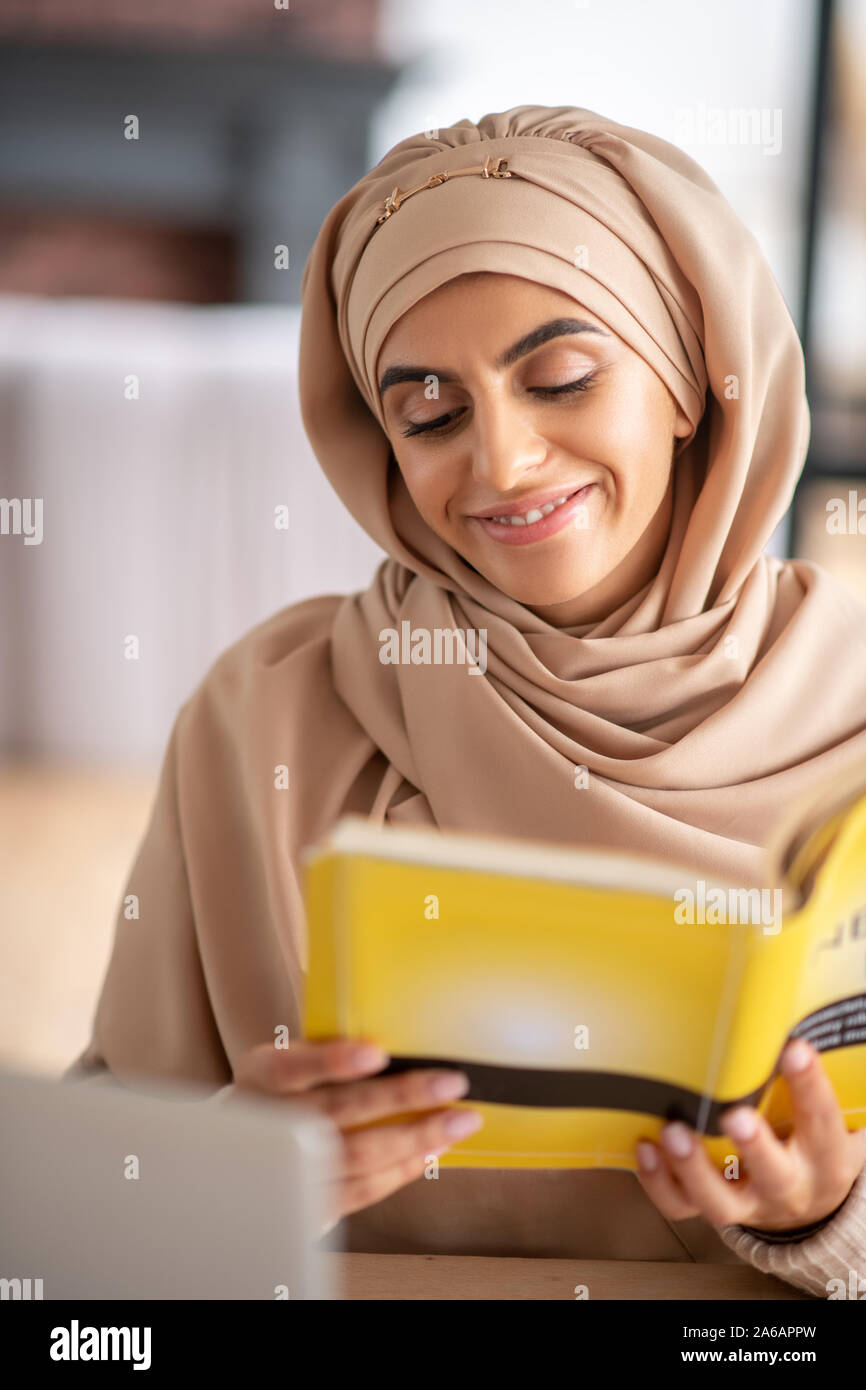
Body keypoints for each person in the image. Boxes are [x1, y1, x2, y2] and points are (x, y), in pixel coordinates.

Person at [67, 106, 866, 1297]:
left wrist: (827, 1221)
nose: (499, 463)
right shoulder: (262, 713)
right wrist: (232, 1170)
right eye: (429, 414)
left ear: (690, 379)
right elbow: (81, 1225)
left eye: (560, 379)